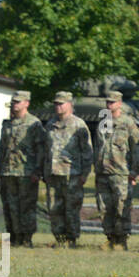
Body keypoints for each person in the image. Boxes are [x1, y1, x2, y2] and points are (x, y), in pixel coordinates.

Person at [43, 91, 93, 248]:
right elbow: (46, 149)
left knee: (71, 208)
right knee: (54, 208)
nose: (58, 106)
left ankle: (72, 240)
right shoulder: (50, 124)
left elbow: (87, 151)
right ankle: (60, 239)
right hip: (53, 174)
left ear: (70, 104)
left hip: (72, 174)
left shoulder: (78, 125)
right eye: (56, 104)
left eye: (61, 103)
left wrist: (85, 173)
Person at [95, 91, 139, 250]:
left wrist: (135, 171)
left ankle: (122, 240)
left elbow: (138, 148)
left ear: (119, 103)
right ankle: (109, 237)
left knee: (121, 207)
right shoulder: (103, 123)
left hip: (121, 173)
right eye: (107, 102)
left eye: (112, 102)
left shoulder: (128, 123)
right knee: (104, 207)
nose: (109, 105)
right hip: (103, 173)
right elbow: (98, 147)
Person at [0, 91, 46, 247]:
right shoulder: (7, 124)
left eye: (18, 101)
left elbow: (41, 149)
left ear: (27, 103)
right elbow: (2, 148)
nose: (15, 104)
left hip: (26, 171)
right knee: (10, 206)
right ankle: (13, 236)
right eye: (13, 101)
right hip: (8, 171)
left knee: (26, 207)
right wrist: (0, 169)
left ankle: (26, 238)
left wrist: (38, 170)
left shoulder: (34, 124)